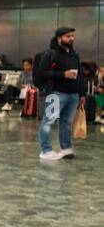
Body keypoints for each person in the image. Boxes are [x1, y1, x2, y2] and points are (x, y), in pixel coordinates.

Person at [35, 26, 80, 160]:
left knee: (67, 122)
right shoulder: (51, 54)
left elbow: (81, 75)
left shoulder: (74, 54)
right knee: (48, 121)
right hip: (56, 93)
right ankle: (45, 150)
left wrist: (81, 93)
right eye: (68, 36)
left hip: (73, 94)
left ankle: (66, 148)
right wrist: (63, 74)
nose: (71, 38)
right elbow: (42, 73)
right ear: (59, 38)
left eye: (72, 36)